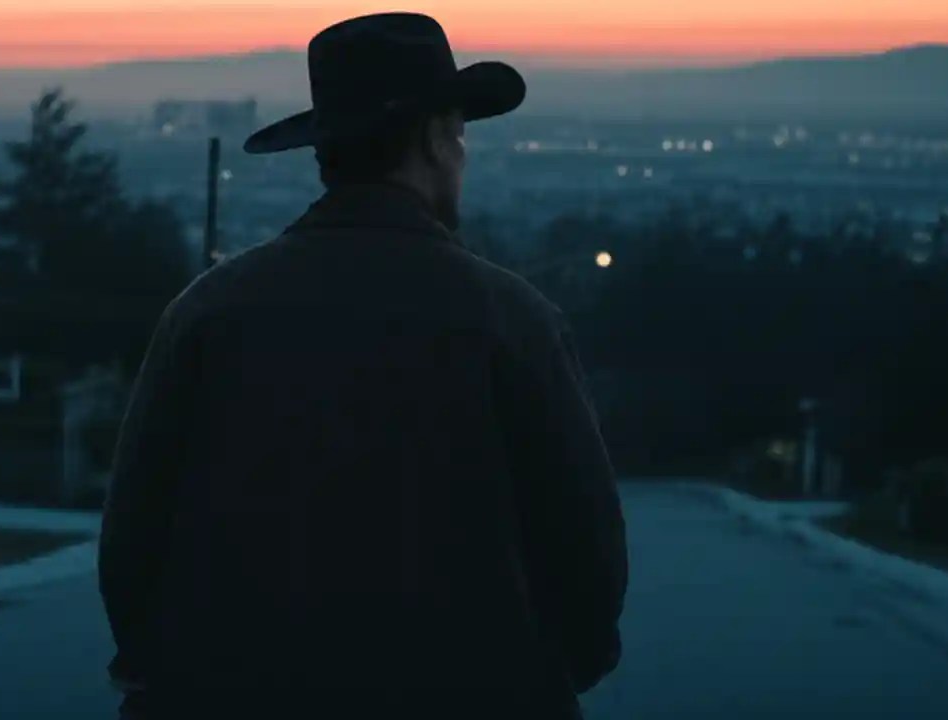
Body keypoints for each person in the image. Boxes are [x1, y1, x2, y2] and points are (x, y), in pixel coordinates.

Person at [99, 12, 628, 720]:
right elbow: (586, 562)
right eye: (460, 134)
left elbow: (132, 546)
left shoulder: (205, 315)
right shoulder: (514, 323)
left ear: (326, 153)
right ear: (439, 139)